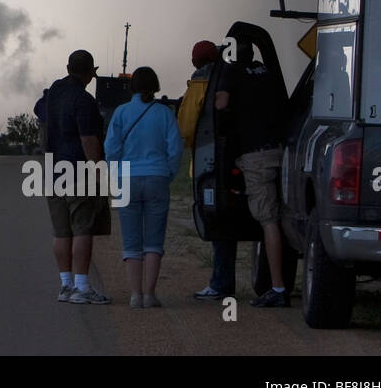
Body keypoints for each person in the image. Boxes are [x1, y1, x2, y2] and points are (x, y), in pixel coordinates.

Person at [214, 39, 290, 308]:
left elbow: (221, 104)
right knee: (282, 217)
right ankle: (280, 283)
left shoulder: (230, 72)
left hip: (255, 155)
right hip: (280, 151)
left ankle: (278, 288)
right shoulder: (266, 72)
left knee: (268, 220)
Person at [34, 49, 111, 304]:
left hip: (52, 169)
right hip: (78, 170)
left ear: (67, 68)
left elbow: (39, 110)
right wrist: (99, 172)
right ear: (91, 73)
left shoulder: (53, 92)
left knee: (61, 232)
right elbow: (88, 139)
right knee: (82, 229)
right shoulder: (84, 100)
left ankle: (65, 285)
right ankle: (82, 287)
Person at [105, 66, 182, 308]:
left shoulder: (121, 112)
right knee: (154, 240)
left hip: (127, 177)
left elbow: (111, 148)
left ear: (132, 86)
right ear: (156, 85)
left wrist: (116, 172)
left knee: (131, 240)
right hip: (157, 176)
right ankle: (150, 294)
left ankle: (135, 295)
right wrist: (168, 172)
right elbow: (175, 148)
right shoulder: (165, 113)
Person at [178, 40, 237, 301]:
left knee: (215, 221)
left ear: (195, 61)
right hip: (237, 158)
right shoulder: (231, 79)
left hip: (209, 162)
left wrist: (192, 145)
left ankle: (220, 283)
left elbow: (187, 127)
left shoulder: (200, 83)